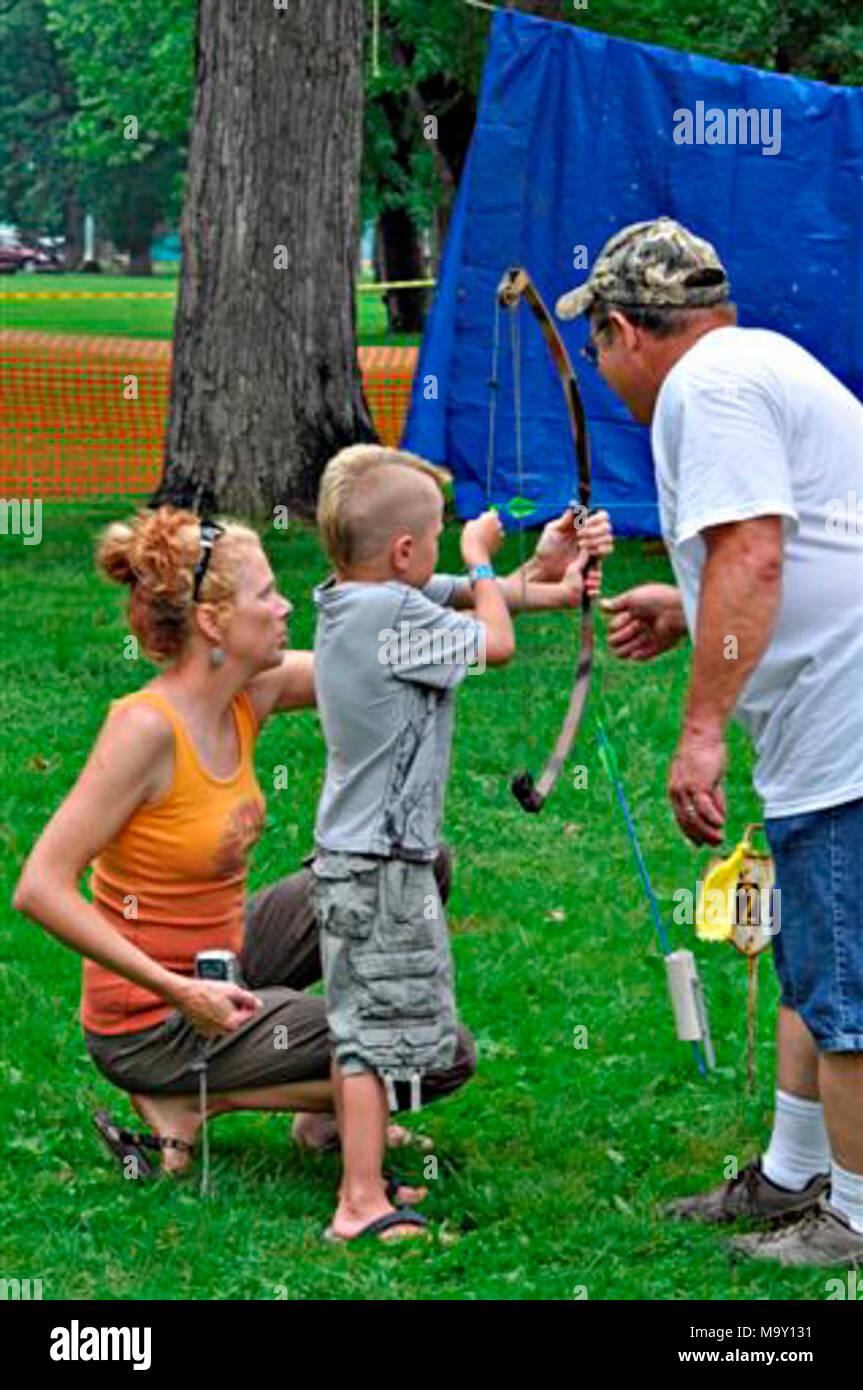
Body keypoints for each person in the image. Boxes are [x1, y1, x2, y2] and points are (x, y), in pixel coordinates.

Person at [13, 498, 608, 1183]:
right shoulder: (144, 730)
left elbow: (413, 641)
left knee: (417, 866)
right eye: (266, 594)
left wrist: (543, 578)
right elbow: (40, 888)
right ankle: (188, 1092)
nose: (286, 606)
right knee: (436, 1057)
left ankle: (320, 1118)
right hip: (153, 1022)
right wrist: (178, 993)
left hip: (222, 961)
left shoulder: (250, 689)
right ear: (213, 622)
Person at [555, 216, 863, 1266]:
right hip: (826, 715)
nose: (597, 368)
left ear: (619, 328)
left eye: (592, 344)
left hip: (845, 719)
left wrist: (699, 732)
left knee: (845, 979)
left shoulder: (706, 388)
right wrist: (689, 604)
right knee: (808, 955)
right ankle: (790, 1173)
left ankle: (853, 1219)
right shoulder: (751, 360)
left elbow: (755, 551)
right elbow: (810, 537)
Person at [310, 444, 612, 1242]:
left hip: (359, 859)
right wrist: (483, 560)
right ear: (403, 552)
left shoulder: (359, 596)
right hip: (378, 864)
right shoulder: (391, 615)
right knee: (372, 1035)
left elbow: (497, 603)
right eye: (440, 537)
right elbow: (495, 639)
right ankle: (359, 1203)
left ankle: (344, 1148)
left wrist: (550, 567)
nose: (450, 550)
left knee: (370, 1018)